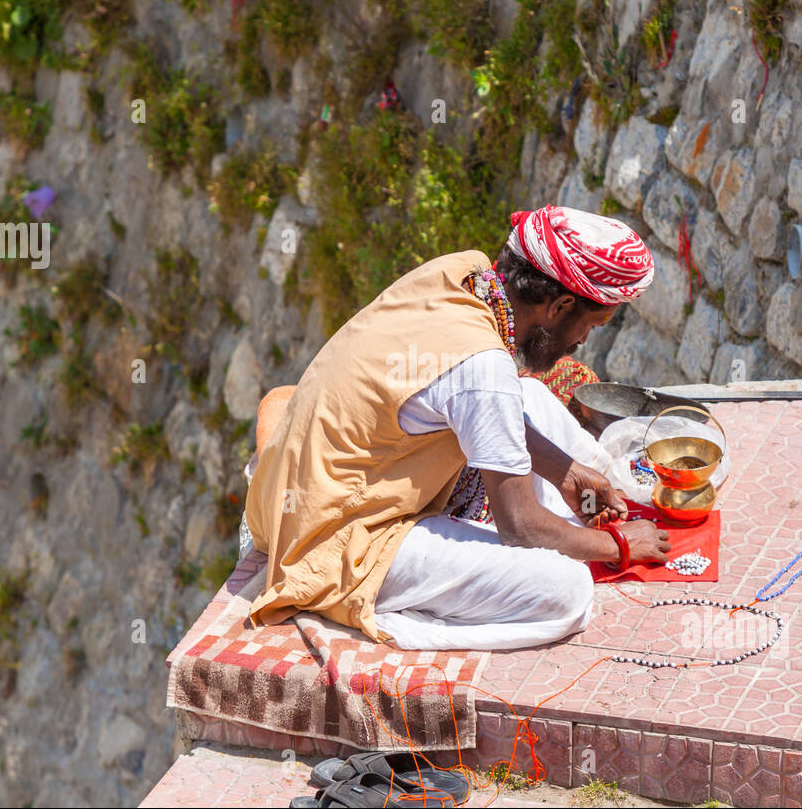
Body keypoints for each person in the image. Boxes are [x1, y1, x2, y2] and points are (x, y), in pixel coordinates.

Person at [244, 205, 671, 650]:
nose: (582, 340)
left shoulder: (463, 273)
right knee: (569, 590)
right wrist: (618, 545)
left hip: (324, 487)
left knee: (529, 397)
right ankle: (396, 618)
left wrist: (566, 472)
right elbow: (521, 528)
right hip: (338, 539)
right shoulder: (483, 366)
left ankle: (568, 518)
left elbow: (470, 398)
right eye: (590, 324)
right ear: (560, 305)